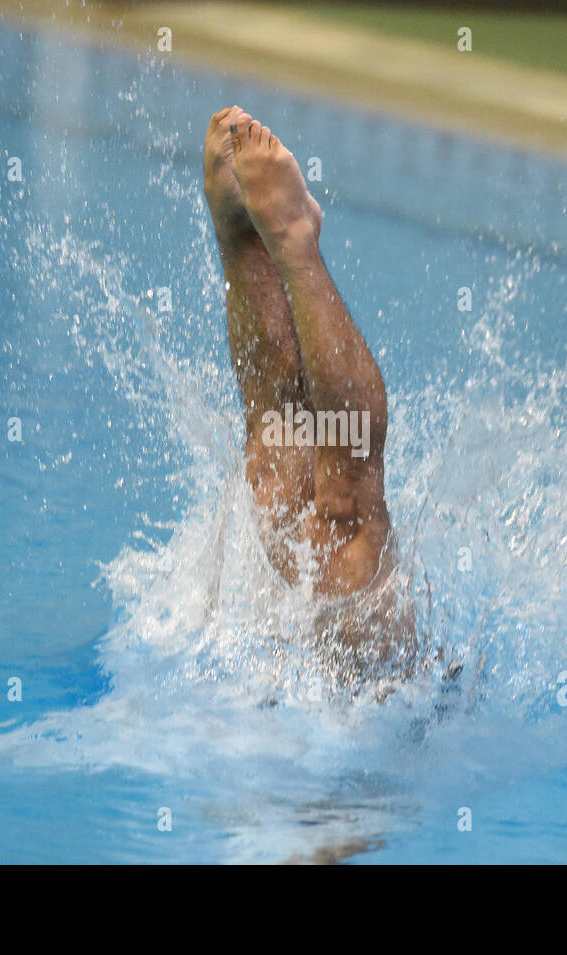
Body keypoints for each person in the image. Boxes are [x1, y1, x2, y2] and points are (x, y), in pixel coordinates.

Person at [202, 106, 415, 681]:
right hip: (375, 715)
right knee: (341, 518)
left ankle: (247, 243)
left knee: (276, 463)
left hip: (249, 700)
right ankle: (288, 239)